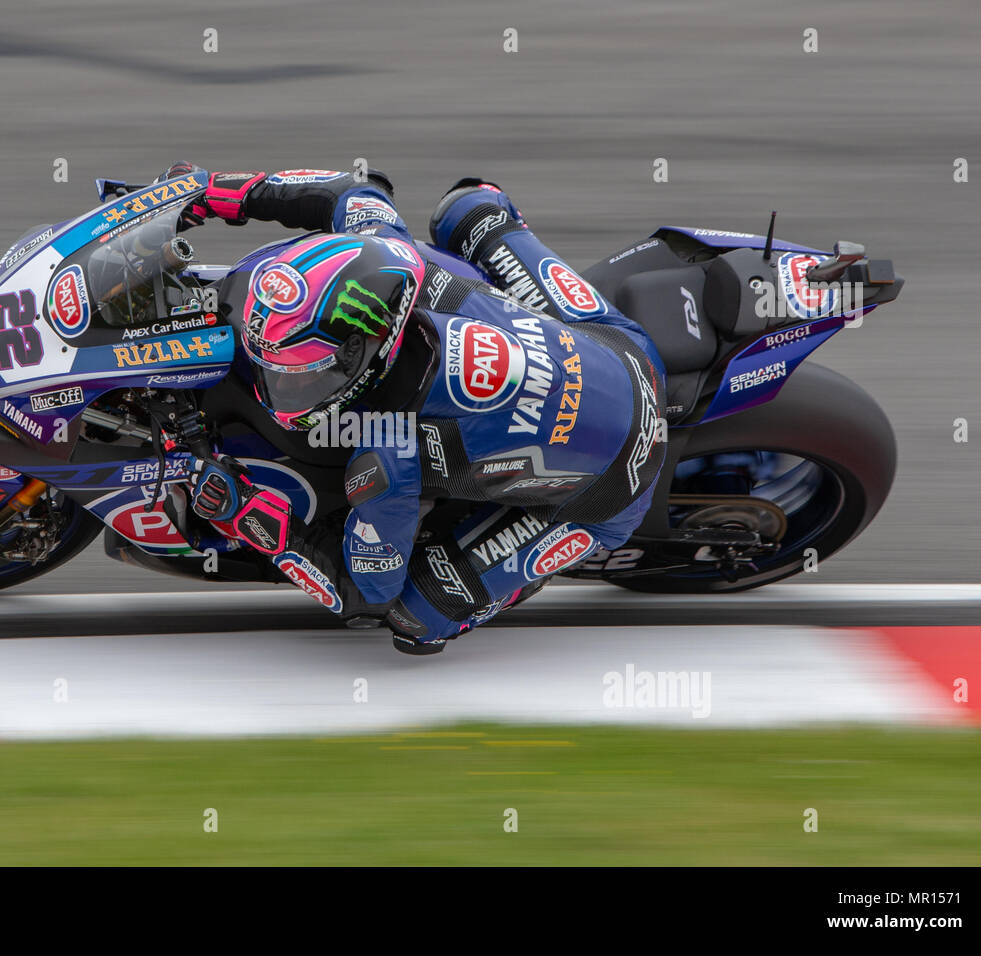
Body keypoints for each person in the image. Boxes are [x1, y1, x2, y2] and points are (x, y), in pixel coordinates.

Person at [162, 162, 666, 654]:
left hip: (615, 481)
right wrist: (211, 191)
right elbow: (351, 189)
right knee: (468, 206)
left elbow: (362, 594)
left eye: (300, 375)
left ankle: (528, 545)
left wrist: (242, 509)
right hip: (615, 347)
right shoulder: (389, 252)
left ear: (363, 361)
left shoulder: (388, 448)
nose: (282, 386)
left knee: (415, 617)